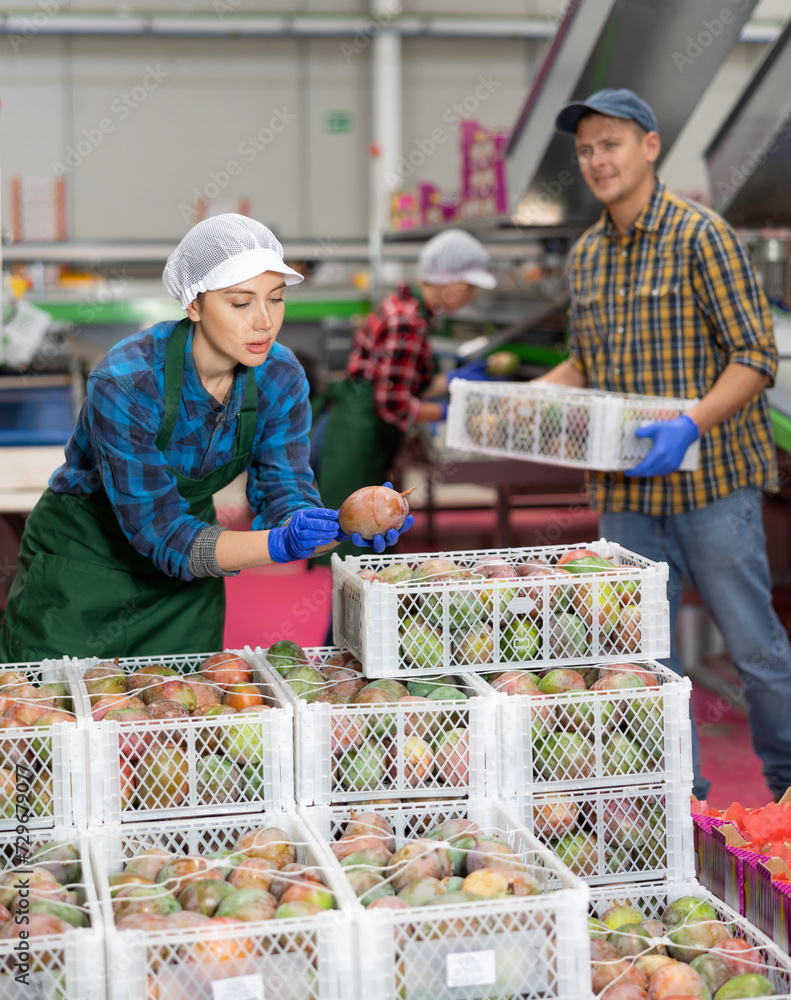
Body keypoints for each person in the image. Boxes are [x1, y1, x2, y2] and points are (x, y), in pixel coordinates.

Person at [0, 214, 411, 663]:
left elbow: (285, 487)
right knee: (51, 717)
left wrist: (331, 526)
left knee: (186, 717)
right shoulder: (126, 383)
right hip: (82, 569)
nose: (264, 322)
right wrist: (278, 545)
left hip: (184, 589)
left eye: (275, 299)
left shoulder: (279, 374)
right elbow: (164, 534)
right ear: (193, 305)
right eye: (240, 303)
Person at [541, 88, 791, 801]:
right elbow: (583, 363)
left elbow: (754, 354)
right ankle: (679, 800)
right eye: (585, 149)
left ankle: (787, 787)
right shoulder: (586, 255)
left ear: (649, 146)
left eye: (609, 143)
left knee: (754, 648)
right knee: (647, 660)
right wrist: (519, 402)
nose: (596, 160)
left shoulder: (699, 235)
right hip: (624, 495)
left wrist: (690, 422)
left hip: (710, 487)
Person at [312, 228, 498, 563]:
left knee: (364, 542)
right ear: (451, 281)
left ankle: (347, 615)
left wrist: (452, 383)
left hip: (359, 430)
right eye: (469, 287)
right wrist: (449, 414)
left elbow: (405, 381)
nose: (469, 297)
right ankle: (345, 618)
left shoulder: (405, 308)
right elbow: (394, 404)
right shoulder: (407, 321)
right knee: (359, 547)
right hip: (358, 437)